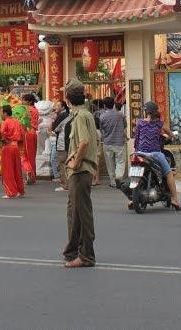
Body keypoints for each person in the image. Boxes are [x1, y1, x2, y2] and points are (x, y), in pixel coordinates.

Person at [62, 79, 98, 269]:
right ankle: (72, 251)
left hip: (81, 171)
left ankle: (86, 256)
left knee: (81, 215)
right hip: (81, 170)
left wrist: (75, 163)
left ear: (67, 98)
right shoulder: (84, 114)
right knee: (74, 213)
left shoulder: (80, 117)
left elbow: (84, 142)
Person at [132, 101, 181, 209]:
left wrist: (135, 152)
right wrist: (173, 137)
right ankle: (174, 199)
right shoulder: (159, 123)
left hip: (140, 153)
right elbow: (171, 135)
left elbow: (136, 140)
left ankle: (132, 199)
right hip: (155, 153)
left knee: (135, 174)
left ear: (145, 112)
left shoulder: (139, 122)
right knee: (169, 174)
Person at [98, 97, 127, 187]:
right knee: (120, 161)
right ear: (114, 104)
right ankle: (119, 177)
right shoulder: (120, 115)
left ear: (105, 106)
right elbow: (125, 126)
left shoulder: (102, 116)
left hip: (107, 142)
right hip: (119, 142)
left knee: (110, 163)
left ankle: (112, 181)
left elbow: (101, 129)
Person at [0, 104, 26, 199]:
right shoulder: (17, 122)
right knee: (17, 170)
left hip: (8, 147)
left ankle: (11, 192)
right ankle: (20, 190)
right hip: (16, 147)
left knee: (8, 170)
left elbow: (2, 133)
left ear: (5, 113)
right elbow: (22, 135)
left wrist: (2, 140)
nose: (0, 114)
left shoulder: (5, 122)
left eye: (1, 112)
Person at [51, 101, 71, 191]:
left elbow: (54, 128)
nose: (56, 107)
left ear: (63, 107)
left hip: (62, 143)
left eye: (58, 105)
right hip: (68, 142)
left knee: (62, 164)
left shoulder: (62, 116)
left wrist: (54, 119)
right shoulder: (69, 115)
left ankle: (65, 184)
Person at [21, 94, 40, 185]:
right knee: (32, 156)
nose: (22, 102)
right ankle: (32, 176)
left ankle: (29, 173)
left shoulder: (27, 110)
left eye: (24, 100)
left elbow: (23, 123)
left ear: (29, 101)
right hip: (33, 134)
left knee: (25, 155)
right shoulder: (35, 110)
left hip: (27, 133)